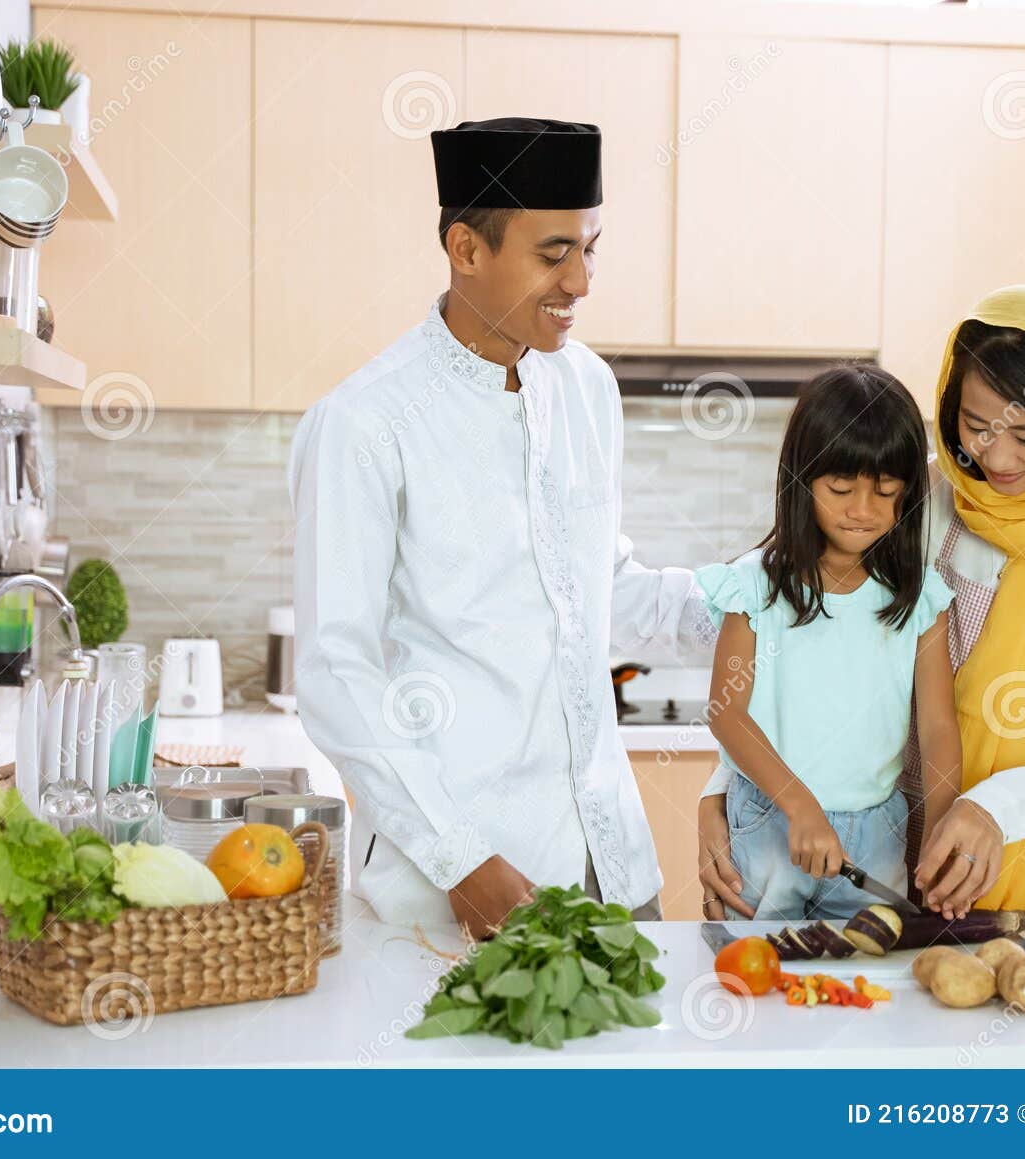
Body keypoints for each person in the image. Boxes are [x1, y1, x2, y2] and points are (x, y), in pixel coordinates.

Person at [288, 117, 716, 937]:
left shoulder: (588, 388)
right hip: (464, 882)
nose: (581, 280)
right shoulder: (363, 424)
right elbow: (338, 669)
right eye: (554, 254)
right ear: (466, 249)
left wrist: (763, 602)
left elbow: (599, 593)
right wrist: (458, 858)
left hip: (614, 870)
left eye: (591, 249)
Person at [700, 285, 1025, 922]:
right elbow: (809, 665)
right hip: (894, 844)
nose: (996, 457)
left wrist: (996, 808)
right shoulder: (927, 494)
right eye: (976, 426)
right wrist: (728, 798)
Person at [696, 364, 961, 922]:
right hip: (771, 820)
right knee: (755, 967)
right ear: (802, 480)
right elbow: (726, 713)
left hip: (877, 832)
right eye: (840, 489)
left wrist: (940, 832)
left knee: (872, 970)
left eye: (885, 491)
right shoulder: (753, 588)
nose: (863, 510)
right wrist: (800, 806)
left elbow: (938, 727)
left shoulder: (920, 598)